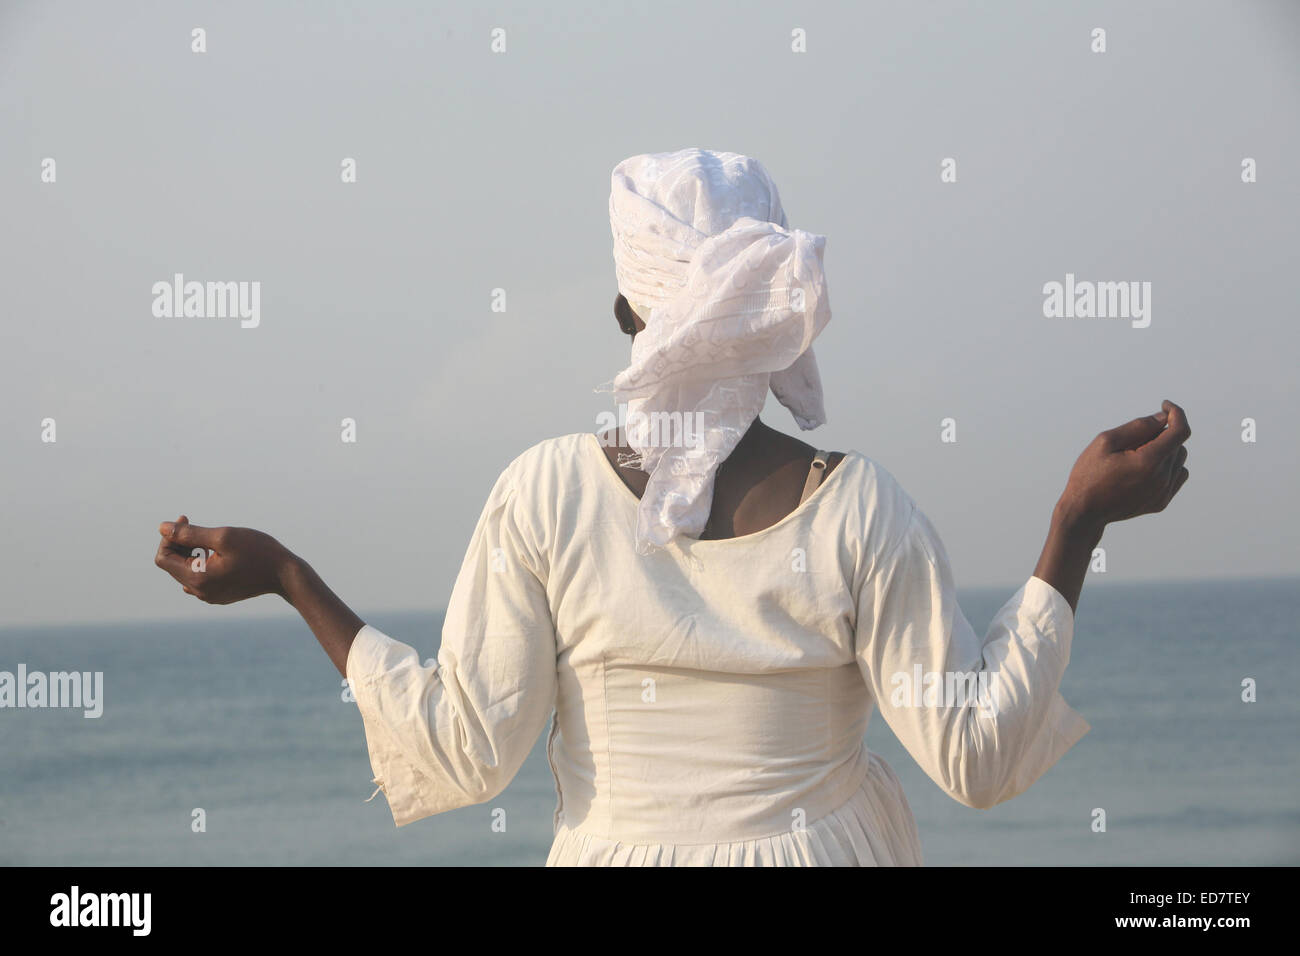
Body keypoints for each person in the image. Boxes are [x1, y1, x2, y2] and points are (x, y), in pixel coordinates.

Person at [153, 148, 1190, 865]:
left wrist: (291, 575)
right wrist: (1075, 524)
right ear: (775, 309)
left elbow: (465, 750)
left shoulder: (543, 494)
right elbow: (978, 753)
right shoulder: (860, 508)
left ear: (623, 309)